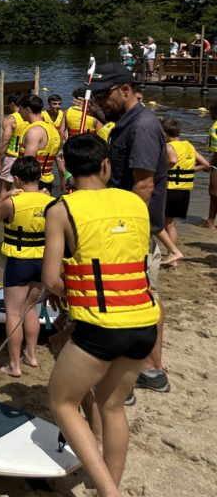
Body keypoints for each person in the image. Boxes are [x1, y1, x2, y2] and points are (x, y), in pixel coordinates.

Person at [43, 134, 158, 497]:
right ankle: (110, 486)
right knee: (112, 406)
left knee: (62, 401)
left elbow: (50, 279)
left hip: (101, 328)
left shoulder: (61, 209)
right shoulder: (136, 202)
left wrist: (73, 295)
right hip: (144, 323)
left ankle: (110, 492)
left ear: (66, 169)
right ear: (106, 165)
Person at [88, 62, 169, 399]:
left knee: (134, 298)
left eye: (103, 95)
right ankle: (150, 369)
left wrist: (123, 230)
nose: (98, 103)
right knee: (145, 295)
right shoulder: (128, 123)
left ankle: (138, 373)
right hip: (135, 226)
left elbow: (144, 185)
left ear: (124, 89)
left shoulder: (143, 126)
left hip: (134, 230)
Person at [0, 156, 49, 377]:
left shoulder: (13, 202)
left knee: (13, 312)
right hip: (43, 263)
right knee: (31, 308)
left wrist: (5, 194)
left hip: (19, 263)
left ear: (16, 179)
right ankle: (31, 355)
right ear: (39, 177)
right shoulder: (51, 202)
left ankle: (14, 365)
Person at [161, 118, 209, 266]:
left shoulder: (169, 146)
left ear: (166, 133)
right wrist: (189, 170)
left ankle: (173, 254)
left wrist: (161, 168)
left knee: (164, 224)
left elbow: (173, 160)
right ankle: (172, 255)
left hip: (171, 189)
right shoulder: (189, 146)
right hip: (184, 191)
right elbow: (206, 164)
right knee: (171, 223)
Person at [18, 95, 61, 194]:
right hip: (47, 181)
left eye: (20, 109)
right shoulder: (52, 129)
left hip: (33, 183)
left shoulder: (34, 131)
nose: (19, 112)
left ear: (27, 109)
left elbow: (28, 164)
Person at [0, 94, 26, 198]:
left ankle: (1, 211)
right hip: (26, 155)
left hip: (12, 156)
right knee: (23, 188)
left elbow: (5, 141)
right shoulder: (29, 116)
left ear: (12, 104)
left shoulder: (11, 119)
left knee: (4, 188)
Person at [206, 103, 217, 229]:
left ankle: (210, 221)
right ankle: (210, 220)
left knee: (213, 192)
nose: (209, 113)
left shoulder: (215, 127)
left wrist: (210, 163)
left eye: (211, 111)